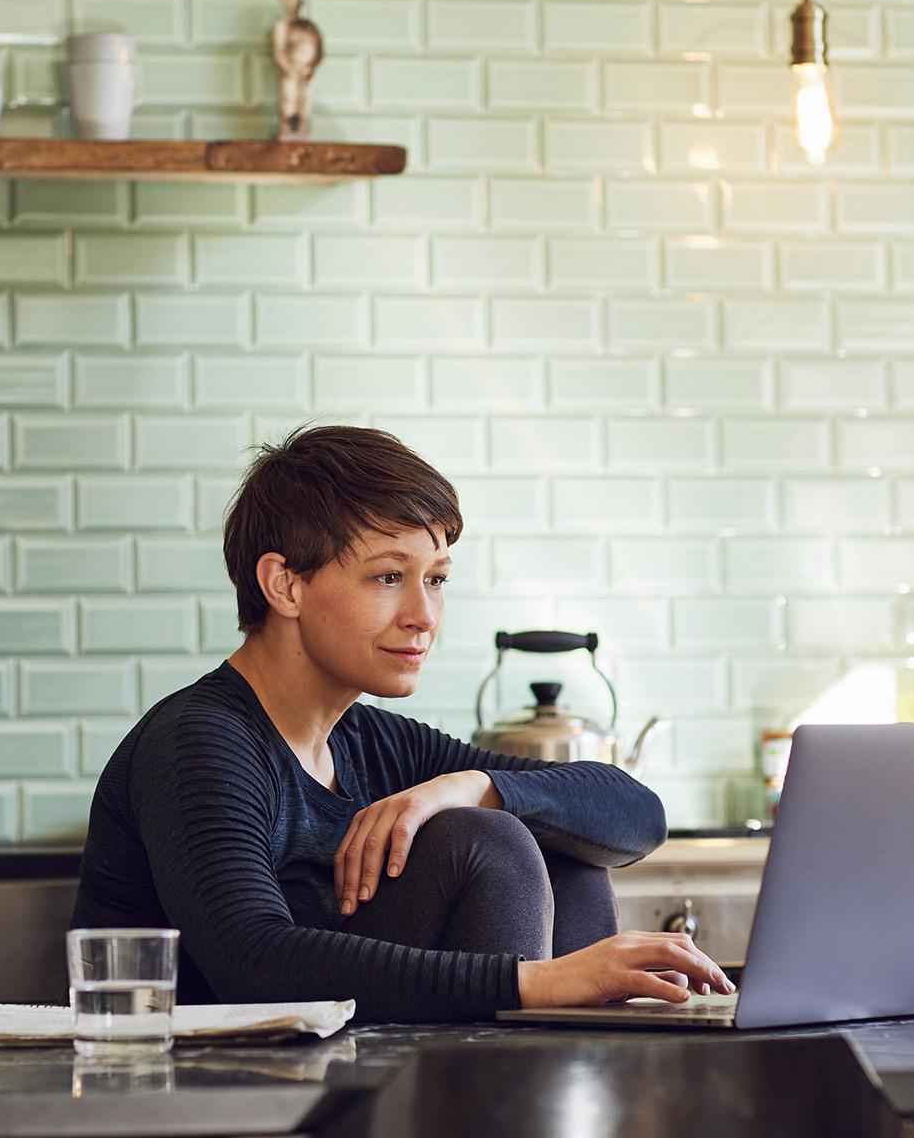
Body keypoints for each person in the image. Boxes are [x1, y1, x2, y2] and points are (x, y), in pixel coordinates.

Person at [70, 425, 733, 1022]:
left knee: (564, 848)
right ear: (284, 585)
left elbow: (637, 815)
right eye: (389, 577)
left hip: (358, 1074)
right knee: (487, 844)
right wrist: (539, 982)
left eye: (436, 579)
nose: (424, 614)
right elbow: (254, 962)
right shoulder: (201, 743)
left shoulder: (372, 743)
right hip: (220, 1099)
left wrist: (470, 784)